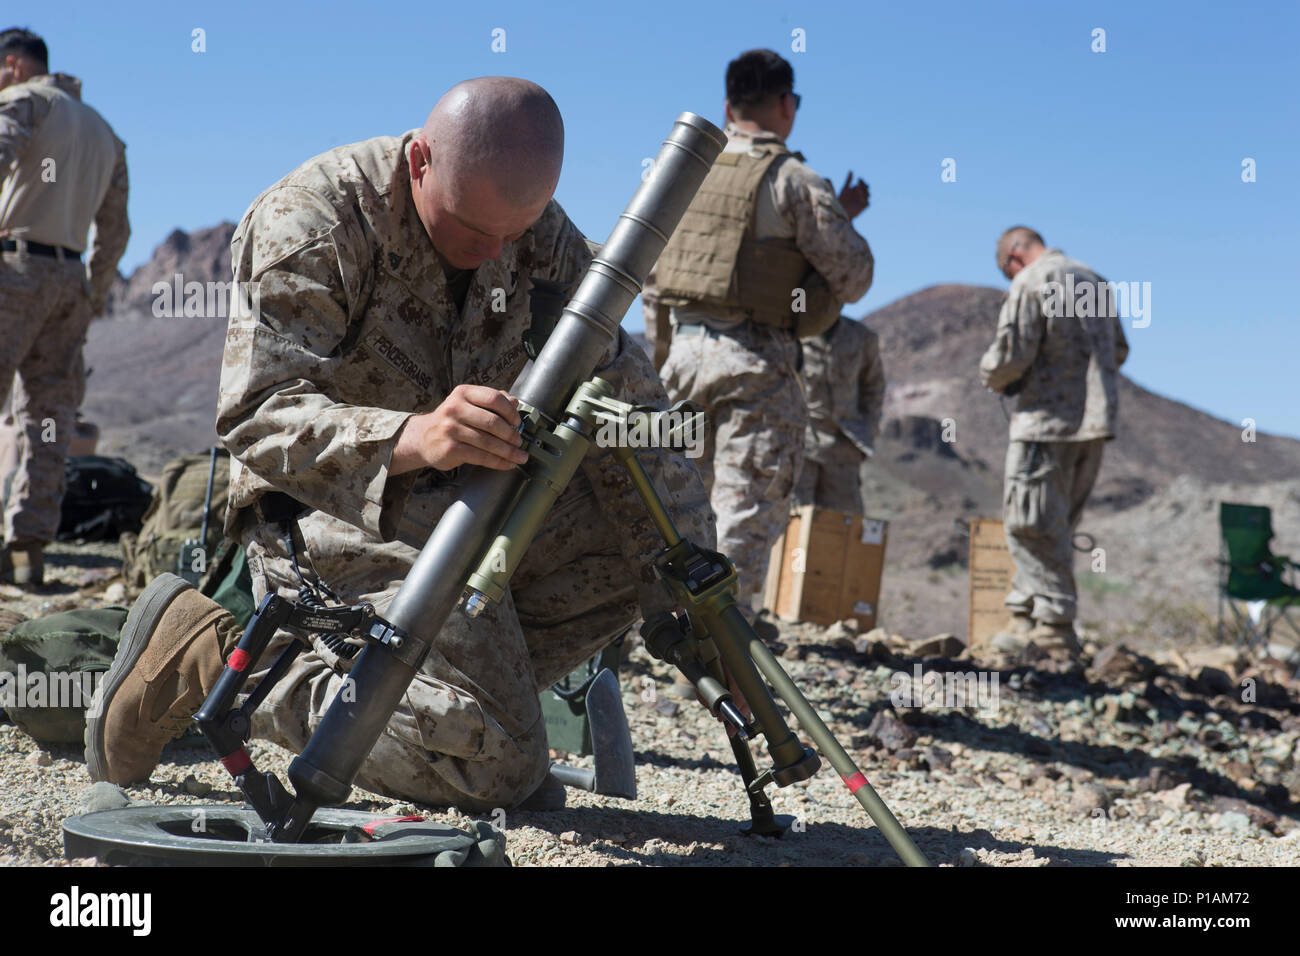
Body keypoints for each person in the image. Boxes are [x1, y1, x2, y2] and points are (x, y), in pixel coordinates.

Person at [85, 77, 714, 813]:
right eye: (472, 231)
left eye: (514, 234)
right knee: (498, 772)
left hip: (470, 508)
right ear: (420, 162)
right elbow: (256, 417)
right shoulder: (315, 221)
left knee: (637, 548)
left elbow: (629, 404)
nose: (494, 254)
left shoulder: (533, 231)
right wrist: (410, 437)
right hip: (330, 507)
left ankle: (461, 727)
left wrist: (697, 588)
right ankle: (210, 655)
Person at [642, 49, 873, 618]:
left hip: (681, 360)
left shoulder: (677, 171)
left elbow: (650, 277)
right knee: (745, 511)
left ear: (727, 105)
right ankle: (728, 647)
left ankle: (662, 632)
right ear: (786, 105)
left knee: (675, 508)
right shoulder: (793, 180)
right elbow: (855, 275)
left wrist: (664, 360)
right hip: (756, 364)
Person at [0, 27, 128, 586]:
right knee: (49, 419)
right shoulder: (105, 133)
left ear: (11, 65)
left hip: (14, 268)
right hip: (70, 279)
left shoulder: (23, 102)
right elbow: (116, 230)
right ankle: (27, 553)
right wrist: (94, 291)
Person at [981, 226, 1129, 660]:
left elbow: (1012, 354)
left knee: (1029, 526)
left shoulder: (1034, 280)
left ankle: (1055, 628)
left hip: (1045, 423)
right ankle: (1023, 616)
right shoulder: (1095, 281)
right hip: (1093, 426)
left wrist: (992, 376)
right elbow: (1118, 349)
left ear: (1014, 257)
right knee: (1056, 525)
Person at [794, 314, 885, 515]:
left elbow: (874, 387)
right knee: (791, 522)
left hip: (843, 449)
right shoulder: (794, 332)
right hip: (800, 445)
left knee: (842, 527)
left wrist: (867, 431)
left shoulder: (860, 338)